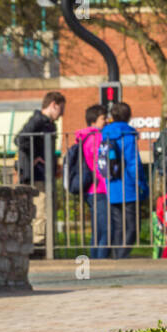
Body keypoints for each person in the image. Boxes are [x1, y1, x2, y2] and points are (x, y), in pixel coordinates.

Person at [15, 91, 66, 251]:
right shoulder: (38, 120)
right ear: (53, 105)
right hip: (37, 174)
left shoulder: (47, 123)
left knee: (45, 209)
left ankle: (44, 242)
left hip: (45, 172)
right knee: (41, 209)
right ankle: (38, 244)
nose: (62, 113)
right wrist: (35, 157)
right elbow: (20, 139)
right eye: (61, 109)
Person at [98, 101, 148, 258]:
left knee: (118, 225)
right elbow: (133, 162)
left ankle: (117, 255)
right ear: (129, 116)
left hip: (111, 184)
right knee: (132, 226)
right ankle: (121, 255)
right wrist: (142, 184)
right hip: (128, 186)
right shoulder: (128, 135)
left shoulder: (104, 133)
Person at [71, 104, 109, 259]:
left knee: (98, 230)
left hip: (90, 189)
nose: (106, 121)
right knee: (104, 230)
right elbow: (100, 164)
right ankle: (100, 262)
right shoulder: (96, 138)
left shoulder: (84, 137)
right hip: (99, 188)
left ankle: (96, 260)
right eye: (103, 118)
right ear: (93, 121)